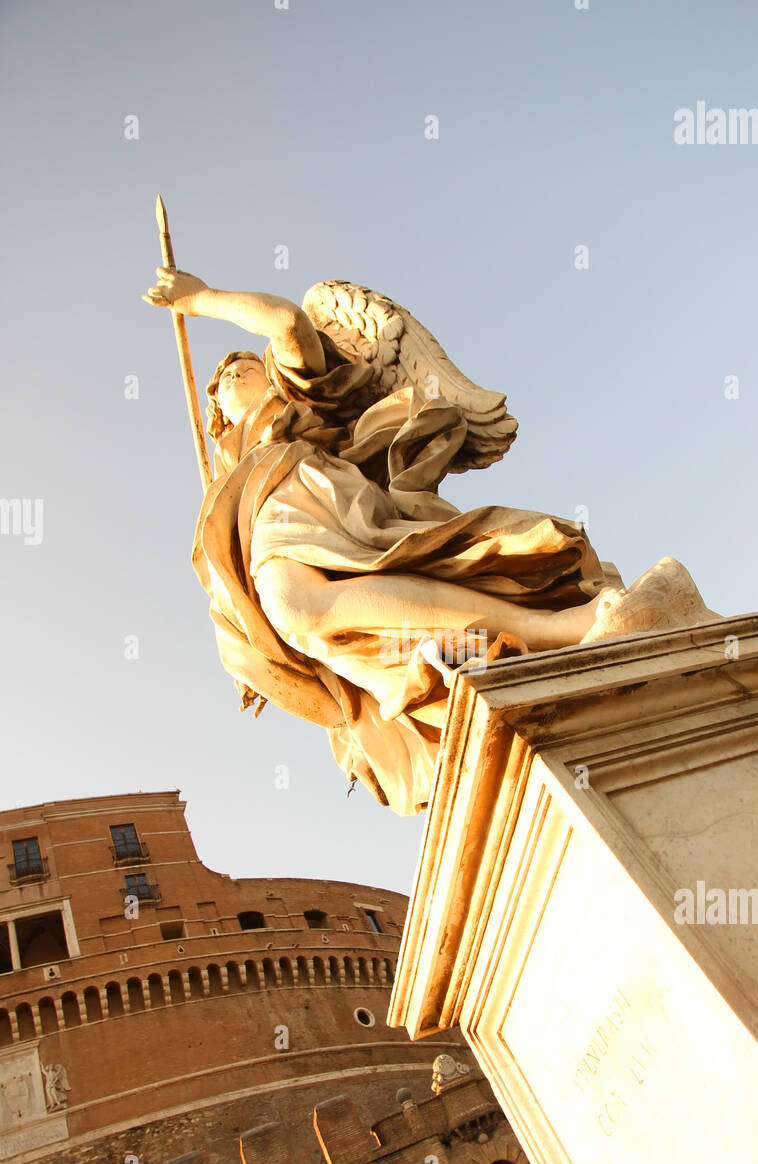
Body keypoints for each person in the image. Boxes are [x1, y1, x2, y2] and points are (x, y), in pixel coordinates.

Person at [143, 268, 717, 813]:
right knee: (327, 635)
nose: (234, 377)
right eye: (224, 381)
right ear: (214, 407)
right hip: (260, 516)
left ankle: (559, 625)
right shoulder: (227, 463)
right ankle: (470, 667)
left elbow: (288, 322)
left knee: (298, 609)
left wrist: (198, 298)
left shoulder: (293, 398)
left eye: (244, 367)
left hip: (306, 487)